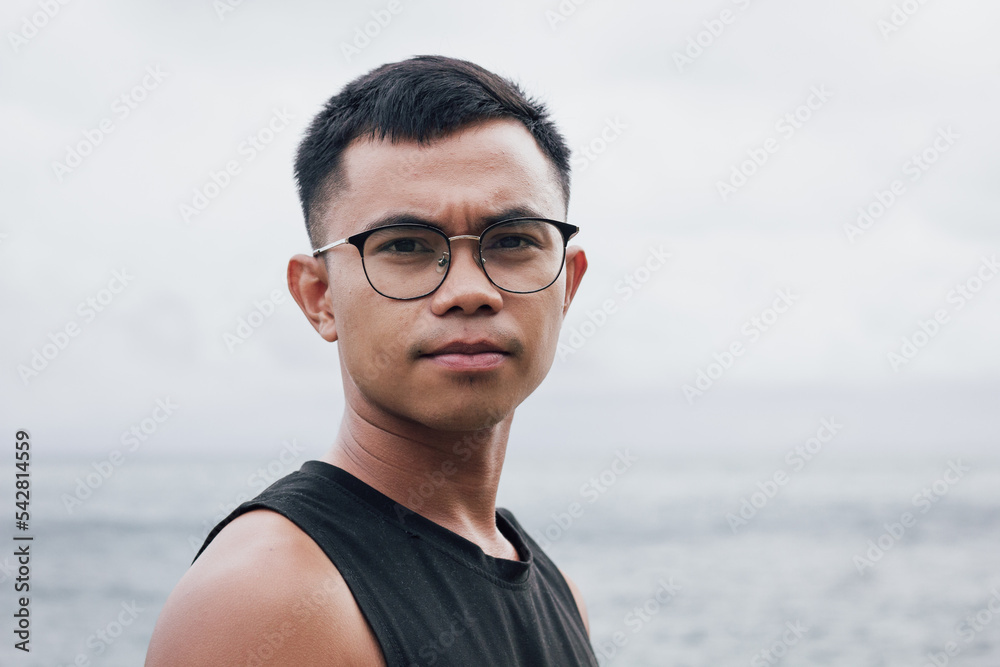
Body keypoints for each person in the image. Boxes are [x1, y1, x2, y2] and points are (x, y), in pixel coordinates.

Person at [145, 54, 595, 666]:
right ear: (319, 296)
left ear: (566, 284)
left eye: (513, 241)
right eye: (406, 245)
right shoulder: (272, 599)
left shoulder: (552, 586)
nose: (469, 289)